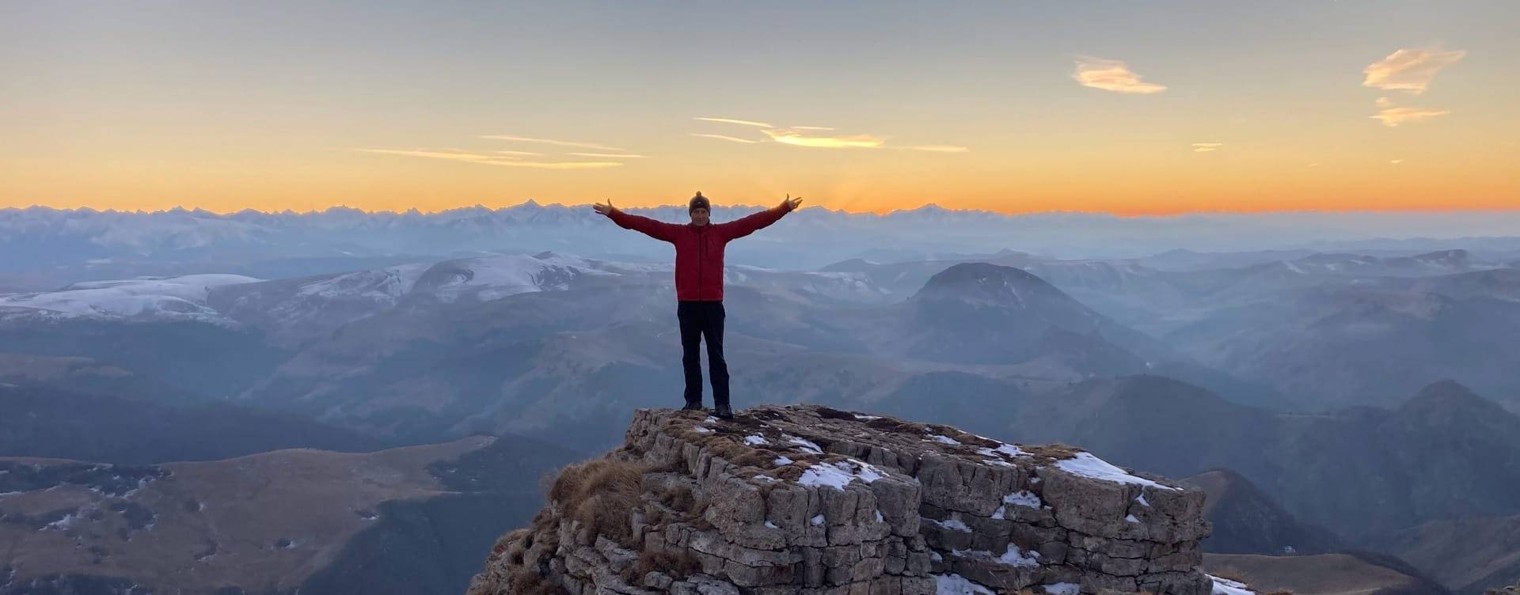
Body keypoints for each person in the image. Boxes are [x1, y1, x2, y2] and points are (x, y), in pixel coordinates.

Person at [593, 191, 803, 419]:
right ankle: (693, 401)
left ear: (709, 214)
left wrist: (784, 208)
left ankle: (722, 404)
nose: (700, 216)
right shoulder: (679, 234)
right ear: (690, 214)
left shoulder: (721, 233)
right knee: (690, 355)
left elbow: (752, 222)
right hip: (688, 304)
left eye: (703, 212)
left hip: (713, 305)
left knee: (716, 355)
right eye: (696, 212)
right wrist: (614, 213)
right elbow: (646, 225)